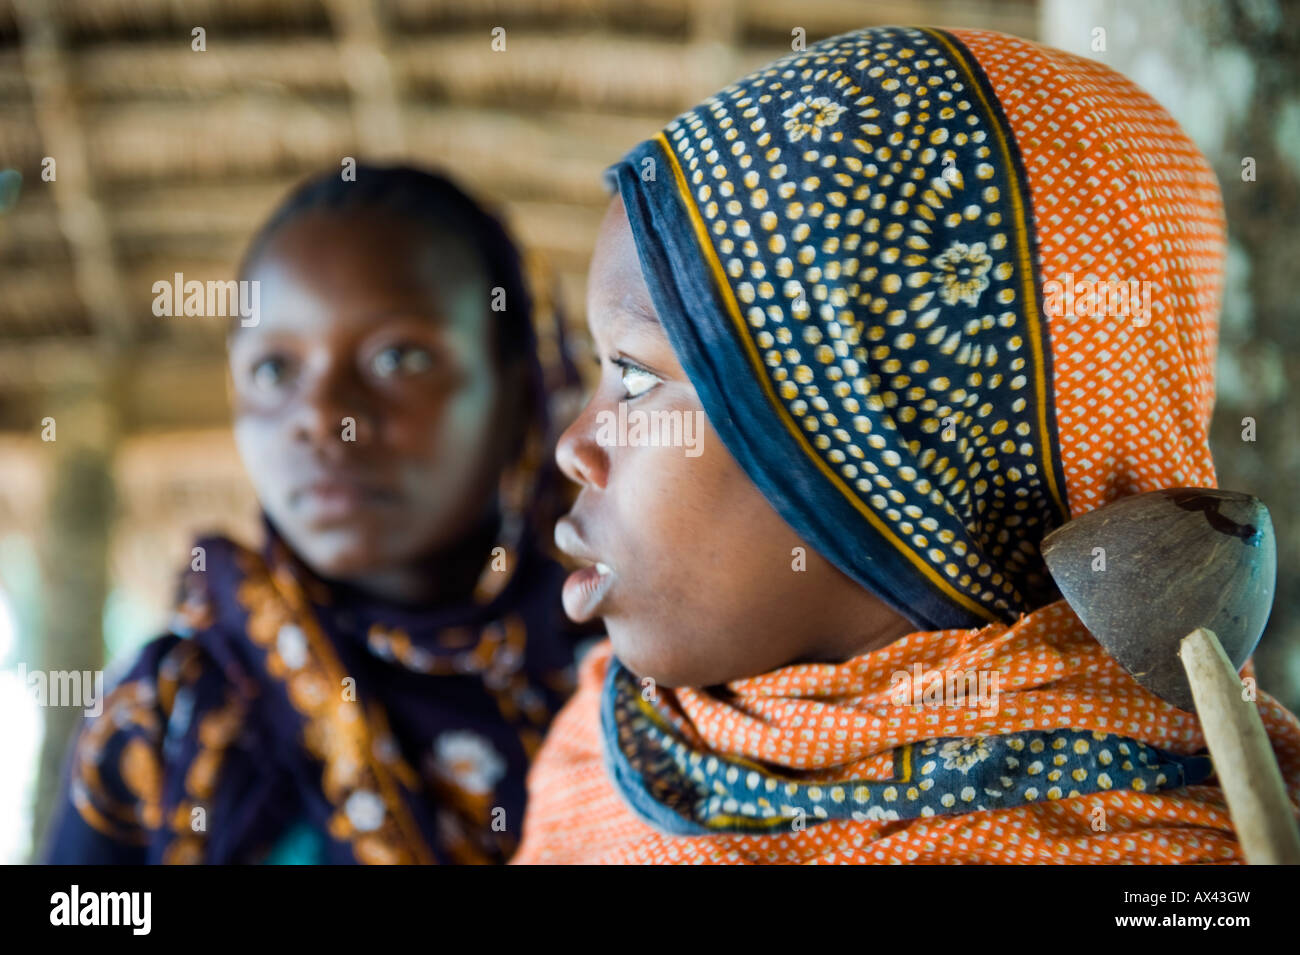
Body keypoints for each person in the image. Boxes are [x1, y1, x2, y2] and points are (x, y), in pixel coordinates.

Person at [511, 25, 1300, 863]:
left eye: (635, 378)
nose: (573, 446)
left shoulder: (1174, 862)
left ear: (894, 437)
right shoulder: (617, 758)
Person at [43, 164, 588, 864]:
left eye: (400, 357)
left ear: (522, 389)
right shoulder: (167, 710)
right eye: (274, 369)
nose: (324, 414)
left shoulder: (632, 693)